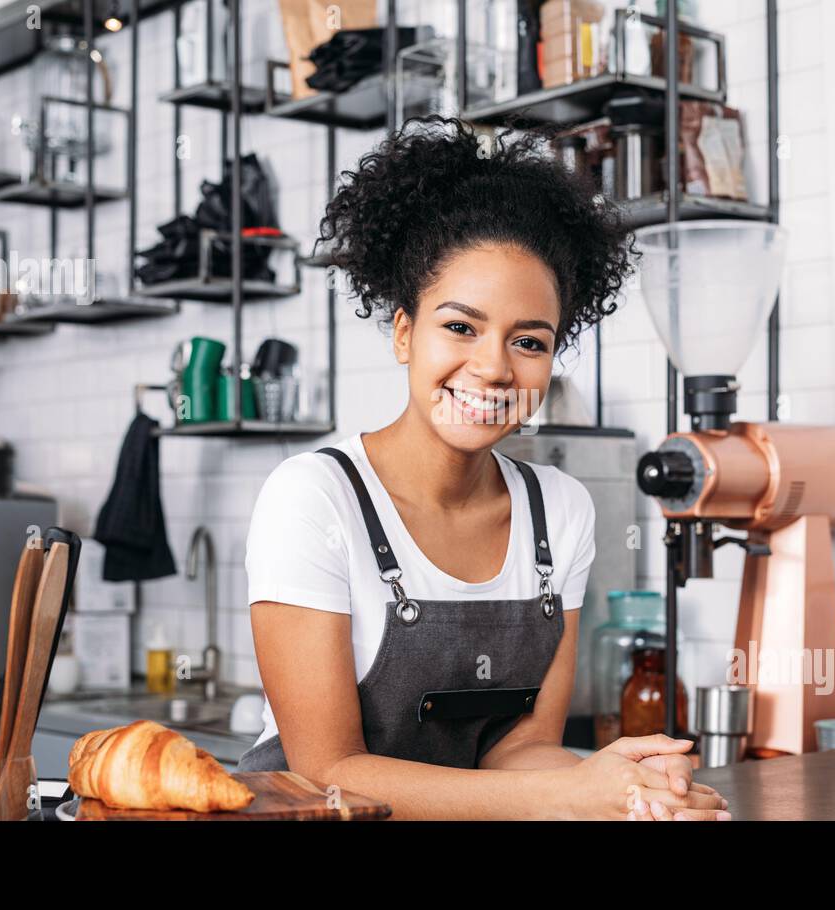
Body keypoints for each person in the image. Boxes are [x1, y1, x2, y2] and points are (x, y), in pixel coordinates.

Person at [239, 117, 729, 821]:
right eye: (460, 327)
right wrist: (568, 793)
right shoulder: (315, 498)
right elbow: (328, 773)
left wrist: (632, 785)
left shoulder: (560, 511)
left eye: (529, 341)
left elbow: (519, 750)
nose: (495, 367)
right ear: (404, 332)